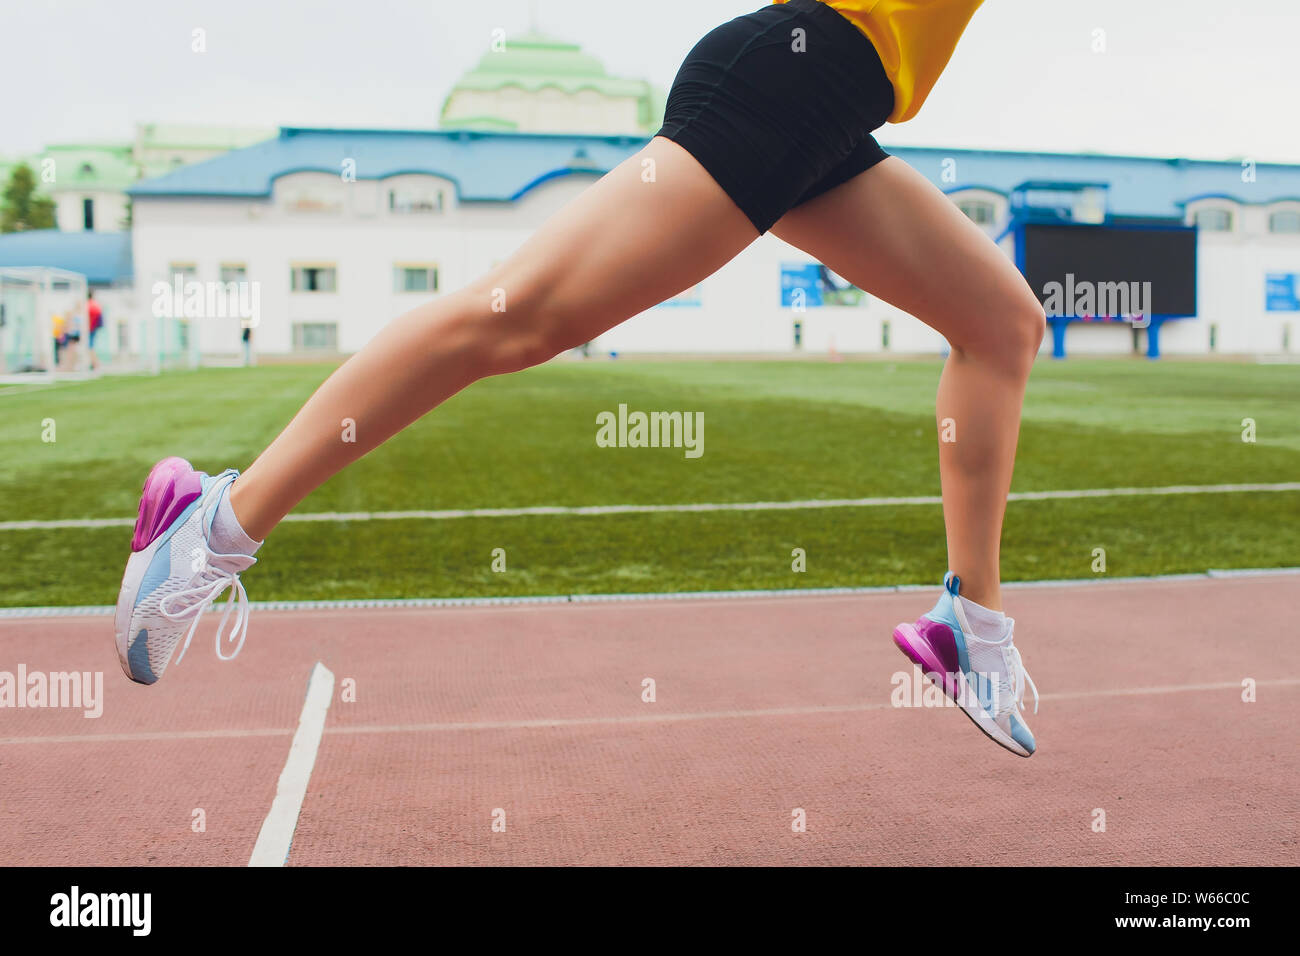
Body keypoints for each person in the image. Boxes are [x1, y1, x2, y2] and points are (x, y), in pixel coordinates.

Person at [113, 0, 1044, 757]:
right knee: (517, 319)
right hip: (797, 74)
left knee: (1002, 324)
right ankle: (212, 526)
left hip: (835, 99)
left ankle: (973, 629)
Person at [86, 291, 103, 371]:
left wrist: (90, 327)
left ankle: (95, 364)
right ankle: (94, 364)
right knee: (90, 347)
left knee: (90, 347)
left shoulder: (89, 305)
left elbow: (91, 318)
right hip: (93, 328)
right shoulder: (95, 304)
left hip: (91, 329)